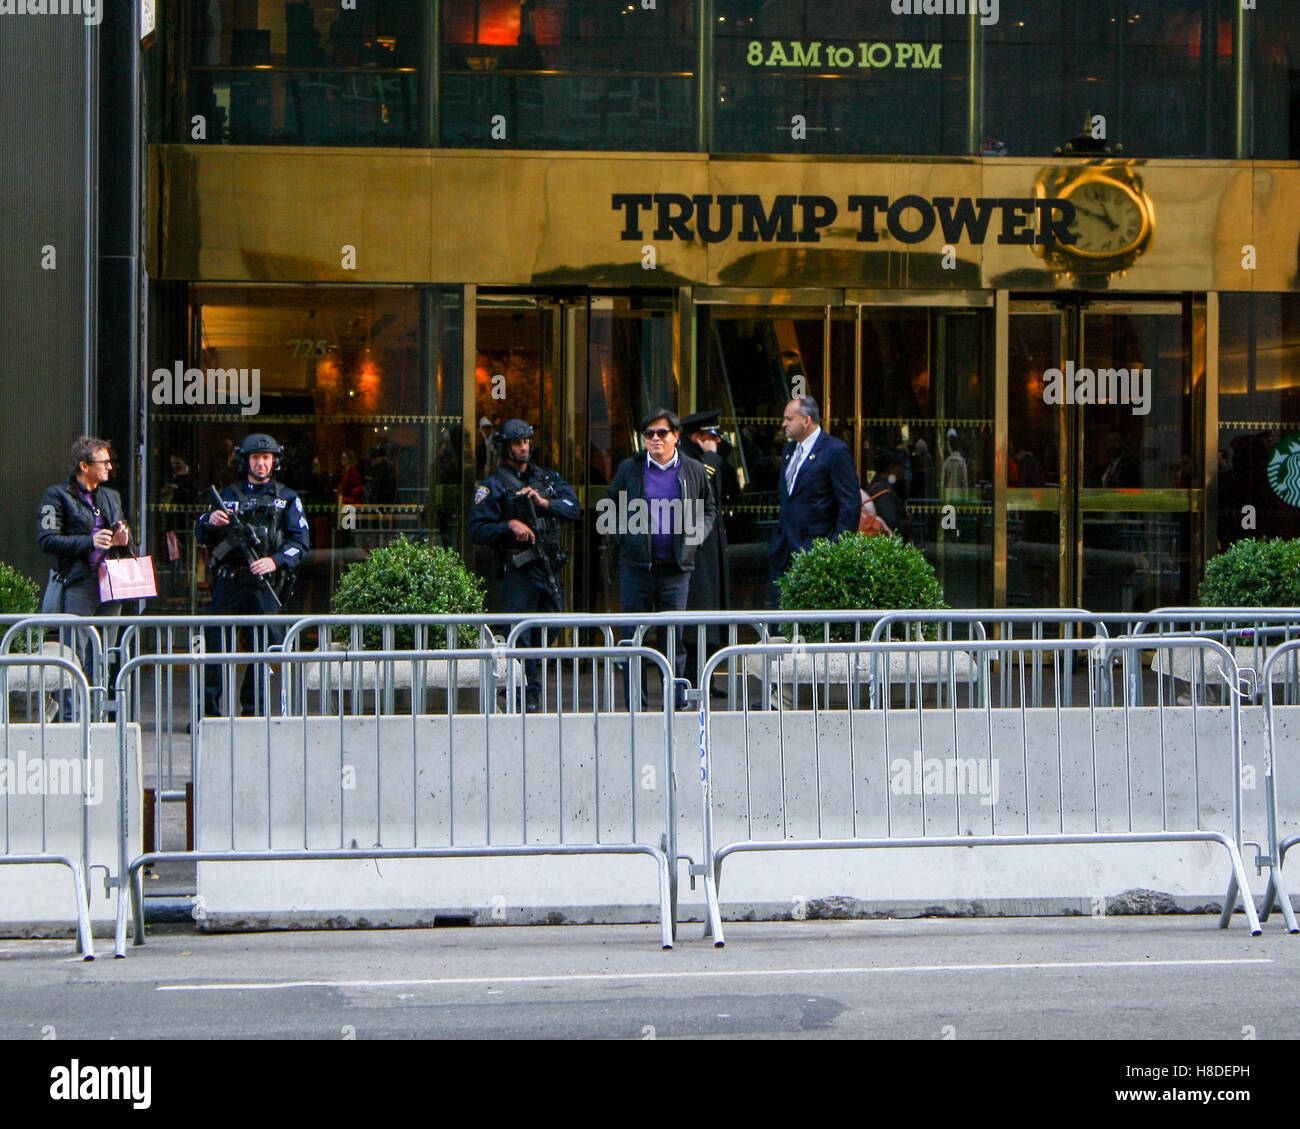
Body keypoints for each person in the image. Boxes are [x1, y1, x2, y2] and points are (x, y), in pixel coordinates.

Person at [605, 409, 717, 710]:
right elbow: (610, 506)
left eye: (662, 433)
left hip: (676, 570)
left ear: (676, 437)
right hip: (636, 568)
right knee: (634, 640)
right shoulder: (630, 469)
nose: (655, 439)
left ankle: (676, 701)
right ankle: (636, 705)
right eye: (649, 434)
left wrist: (696, 537)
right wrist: (625, 538)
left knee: (673, 640)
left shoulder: (693, 470)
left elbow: (709, 509)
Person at [469, 419, 580, 713]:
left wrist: (545, 504)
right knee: (522, 631)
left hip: (546, 567)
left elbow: (574, 508)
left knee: (551, 623)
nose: (524, 447)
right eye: (518, 443)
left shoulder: (546, 479)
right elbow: (477, 530)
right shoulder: (493, 486)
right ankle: (527, 689)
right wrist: (509, 526)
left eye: (527, 442)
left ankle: (522, 678)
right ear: (506, 447)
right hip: (517, 570)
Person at [195, 433, 309, 718]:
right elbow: (200, 533)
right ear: (245, 461)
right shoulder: (228, 496)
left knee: (261, 654)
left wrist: (275, 560)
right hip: (229, 582)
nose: (261, 463)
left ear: (274, 461)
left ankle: (253, 714)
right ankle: (207, 715)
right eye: (256, 458)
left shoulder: (287, 498)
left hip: (263, 585)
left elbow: (300, 543)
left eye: (266, 458)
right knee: (215, 650)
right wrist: (210, 521)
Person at [37, 436, 133, 719]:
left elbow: (125, 536)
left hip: (112, 582)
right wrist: (89, 542)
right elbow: (47, 540)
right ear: (84, 465)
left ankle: (100, 715)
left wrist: (124, 539)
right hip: (79, 582)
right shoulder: (56, 496)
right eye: (103, 462)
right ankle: (72, 717)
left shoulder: (110, 496)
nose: (109, 467)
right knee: (73, 653)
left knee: (105, 654)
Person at [767, 397, 859, 604]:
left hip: (816, 549)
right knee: (779, 620)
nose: (784, 424)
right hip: (783, 551)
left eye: (789, 419)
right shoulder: (789, 451)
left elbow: (850, 505)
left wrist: (834, 548)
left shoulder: (835, 451)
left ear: (806, 420)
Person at [679, 409, 737, 693]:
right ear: (696, 437)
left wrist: (718, 453)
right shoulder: (685, 460)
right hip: (695, 548)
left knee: (712, 612)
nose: (715, 441)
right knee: (697, 612)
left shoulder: (710, 459)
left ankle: (707, 677)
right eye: (710, 435)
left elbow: (731, 491)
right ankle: (690, 678)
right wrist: (712, 457)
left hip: (712, 545)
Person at [863, 448, 913, 542]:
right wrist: (907, 522)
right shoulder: (884, 493)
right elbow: (892, 524)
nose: (903, 471)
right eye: (901, 467)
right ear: (890, 468)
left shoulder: (874, 487)